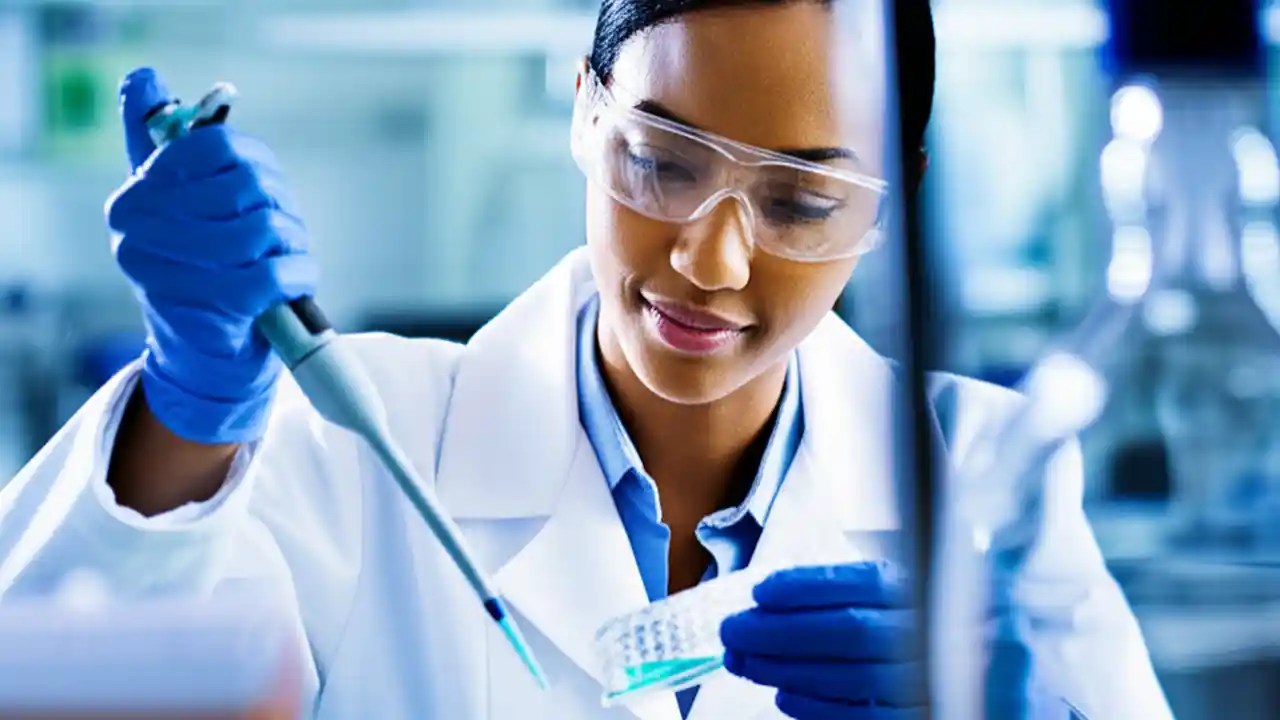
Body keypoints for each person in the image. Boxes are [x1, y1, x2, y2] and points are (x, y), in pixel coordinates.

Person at [0, 1, 1170, 718]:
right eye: (661, 163)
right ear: (583, 112)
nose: (709, 261)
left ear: (885, 211)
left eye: (802, 199)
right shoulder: (357, 450)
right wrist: (187, 414)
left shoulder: (981, 478)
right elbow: (51, 684)